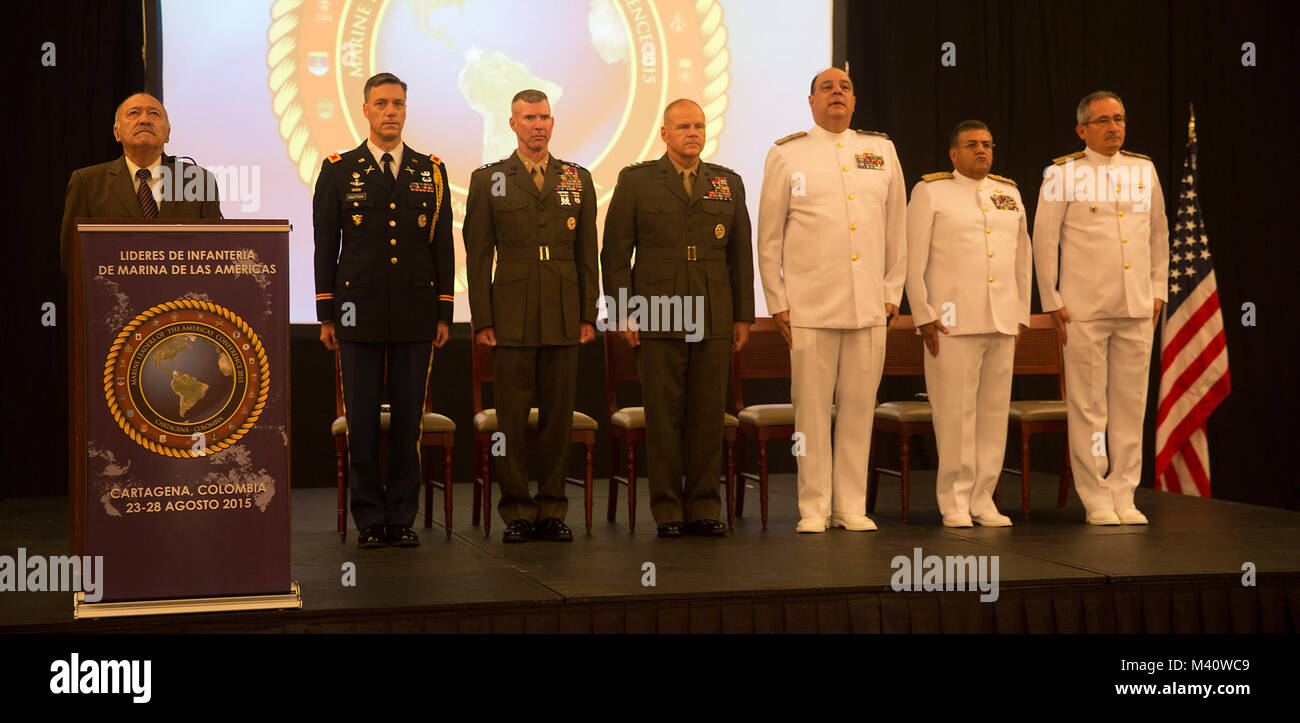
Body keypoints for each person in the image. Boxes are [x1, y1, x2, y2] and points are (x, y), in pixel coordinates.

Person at [757, 67, 906, 533]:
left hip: (868, 306)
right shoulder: (787, 154)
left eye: (844, 88)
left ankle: (851, 505)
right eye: (827, 88)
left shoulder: (881, 151)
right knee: (811, 411)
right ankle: (815, 507)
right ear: (811, 101)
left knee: (861, 409)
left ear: (855, 101)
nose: (836, 93)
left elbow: (896, 229)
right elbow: (769, 237)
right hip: (810, 306)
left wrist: (890, 293)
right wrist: (778, 300)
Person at [602, 98, 754, 538]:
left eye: (699, 126)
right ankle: (668, 509)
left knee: (708, 414)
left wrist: (742, 316)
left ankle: (705, 505)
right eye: (684, 126)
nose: (694, 132)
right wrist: (622, 311)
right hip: (657, 310)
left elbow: (739, 255)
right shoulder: (637, 181)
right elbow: (614, 255)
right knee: (664, 416)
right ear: (664, 133)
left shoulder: (727, 183)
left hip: (712, 313)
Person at [314, 73, 454, 547]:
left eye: (397, 103)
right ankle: (370, 518)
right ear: (366, 110)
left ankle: (403, 516)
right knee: (363, 419)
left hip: (416, 312)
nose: (390, 111)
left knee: (410, 420)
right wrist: (326, 315)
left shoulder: (430, 170)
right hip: (358, 312)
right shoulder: (338, 169)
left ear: (406, 110)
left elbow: (442, 247)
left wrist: (443, 312)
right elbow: (324, 246)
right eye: (381, 104)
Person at [464, 89, 599, 543]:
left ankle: (553, 508)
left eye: (544, 117)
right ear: (513, 124)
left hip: (563, 314)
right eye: (528, 117)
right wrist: (482, 319)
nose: (537, 125)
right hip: (512, 316)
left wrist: (587, 314)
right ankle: (518, 509)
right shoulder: (491, 181)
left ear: (552, 122)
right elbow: (479, 257)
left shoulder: (576, 179)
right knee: (512, 421)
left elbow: (587, 255)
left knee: (558, 419)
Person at [1033, 90, 1169, 525]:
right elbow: (1043, 240)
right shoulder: (1063, 173)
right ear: (1082, 129)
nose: (1114, 127)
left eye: (1119, 119)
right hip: (1084, 308)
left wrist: (1158, 291)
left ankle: (1124, 492)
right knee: (1089, 407)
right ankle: (1094, 495)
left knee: (1131, 404)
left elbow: (1158, 236)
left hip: (1136, 305)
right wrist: (1051, 298)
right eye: (1104, 120)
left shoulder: (1143, 170)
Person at [905, 120, 1031, 528]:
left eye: (987, 144)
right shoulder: (930, 191)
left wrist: (1020, 314)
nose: (981, 151)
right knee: (955, 414)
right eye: (972, 145)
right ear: (953, 154)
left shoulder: (1008, 193)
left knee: (993, 414)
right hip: (950, 321)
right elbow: (913, 258)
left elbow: (1021, 259)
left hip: (1000, 318)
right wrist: (922, 312)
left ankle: (983, 498)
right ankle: (955, 500)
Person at [59, 92, 222, 273]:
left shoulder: (198, 180)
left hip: (183, 298)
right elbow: (71, 260)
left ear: (167, 133)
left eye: (154, 114)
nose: (144, 120)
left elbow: (214, 252)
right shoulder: (87, 183)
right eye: (134, 113)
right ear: (116, 132)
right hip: (114, 296)